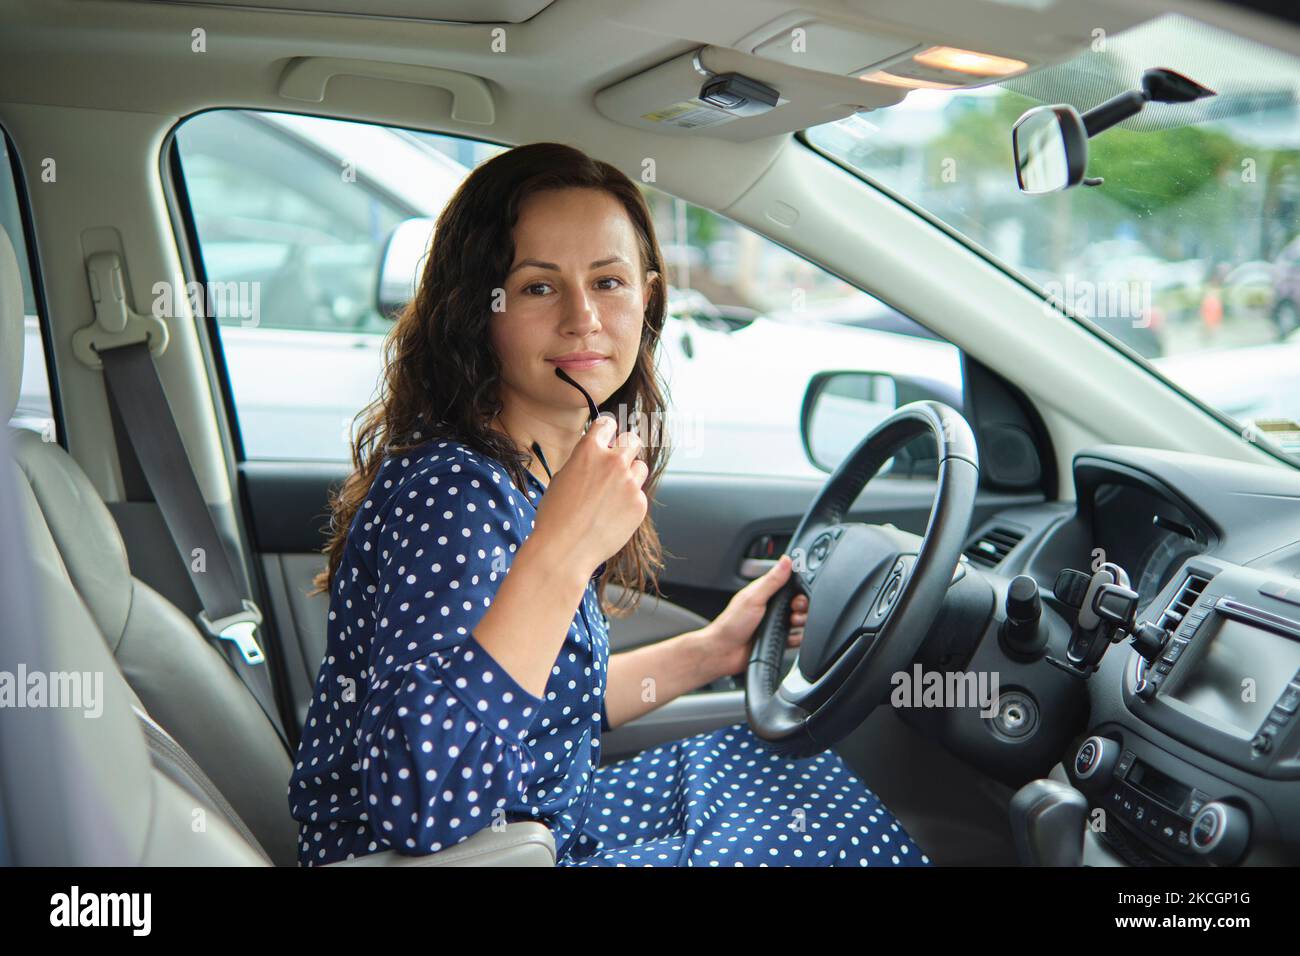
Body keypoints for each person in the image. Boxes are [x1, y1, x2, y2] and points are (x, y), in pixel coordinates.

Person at [288, 142, 930, 867]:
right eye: (538, 287)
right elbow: (419, 806)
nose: (583, 318)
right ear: (479, 307)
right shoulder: (453, 495)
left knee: (798, 776)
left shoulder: (527, 470)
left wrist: (711, 650)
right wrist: (560, 552)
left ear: (648, 295)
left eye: (609, 282)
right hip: (479, 853)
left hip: (547, 821)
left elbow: (541, 707)